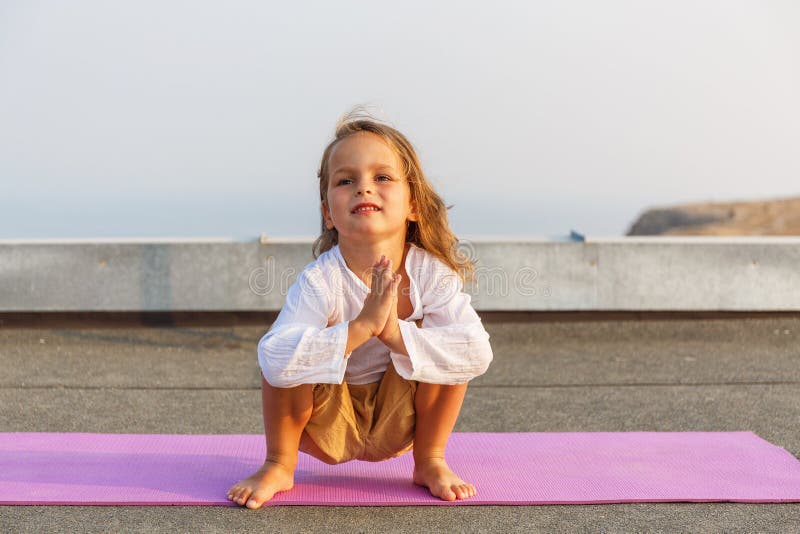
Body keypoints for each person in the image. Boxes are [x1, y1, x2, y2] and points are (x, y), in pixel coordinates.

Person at [227, 108, 493, 509]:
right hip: (326, 423)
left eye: (382, 177)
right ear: (328, 213)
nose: (363, 188)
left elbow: (477, 352)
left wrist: (394, 334)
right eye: (346, 180)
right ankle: (279, 463)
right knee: (286, 350)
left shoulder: (430, 275)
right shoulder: (321, 280)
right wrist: (362, 327)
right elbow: (273, 357)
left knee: (451, 349)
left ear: (414, 205)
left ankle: (430, 460)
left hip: (401, 421)